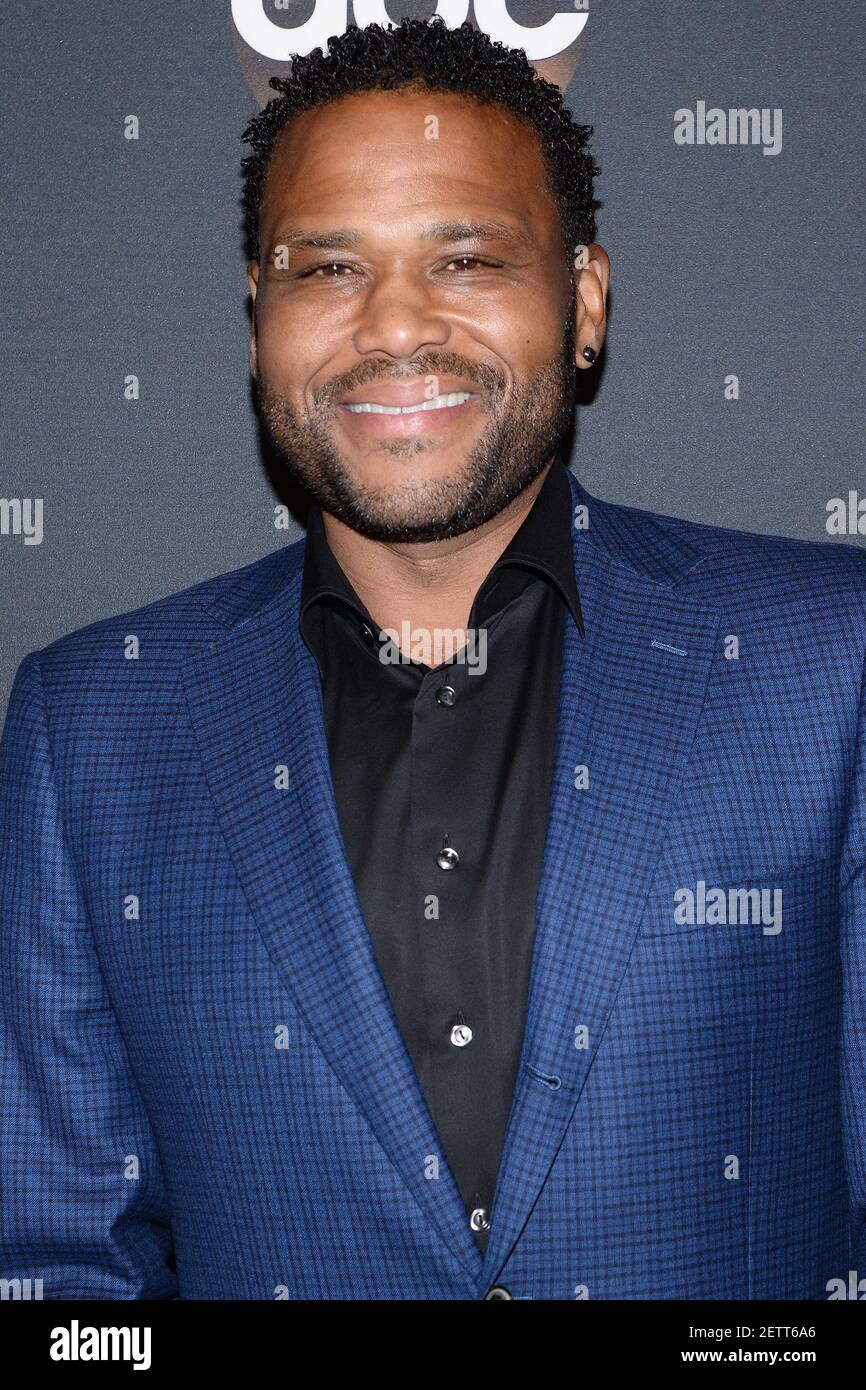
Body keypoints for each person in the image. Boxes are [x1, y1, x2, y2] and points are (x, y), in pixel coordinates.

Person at [1, 18, 864, 1301]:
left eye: (464, 257)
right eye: (327, 269)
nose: (394, 327)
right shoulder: (94, 725)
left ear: (582, 302)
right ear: (257, 317)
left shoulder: (828, 661)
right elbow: (62, 1290)